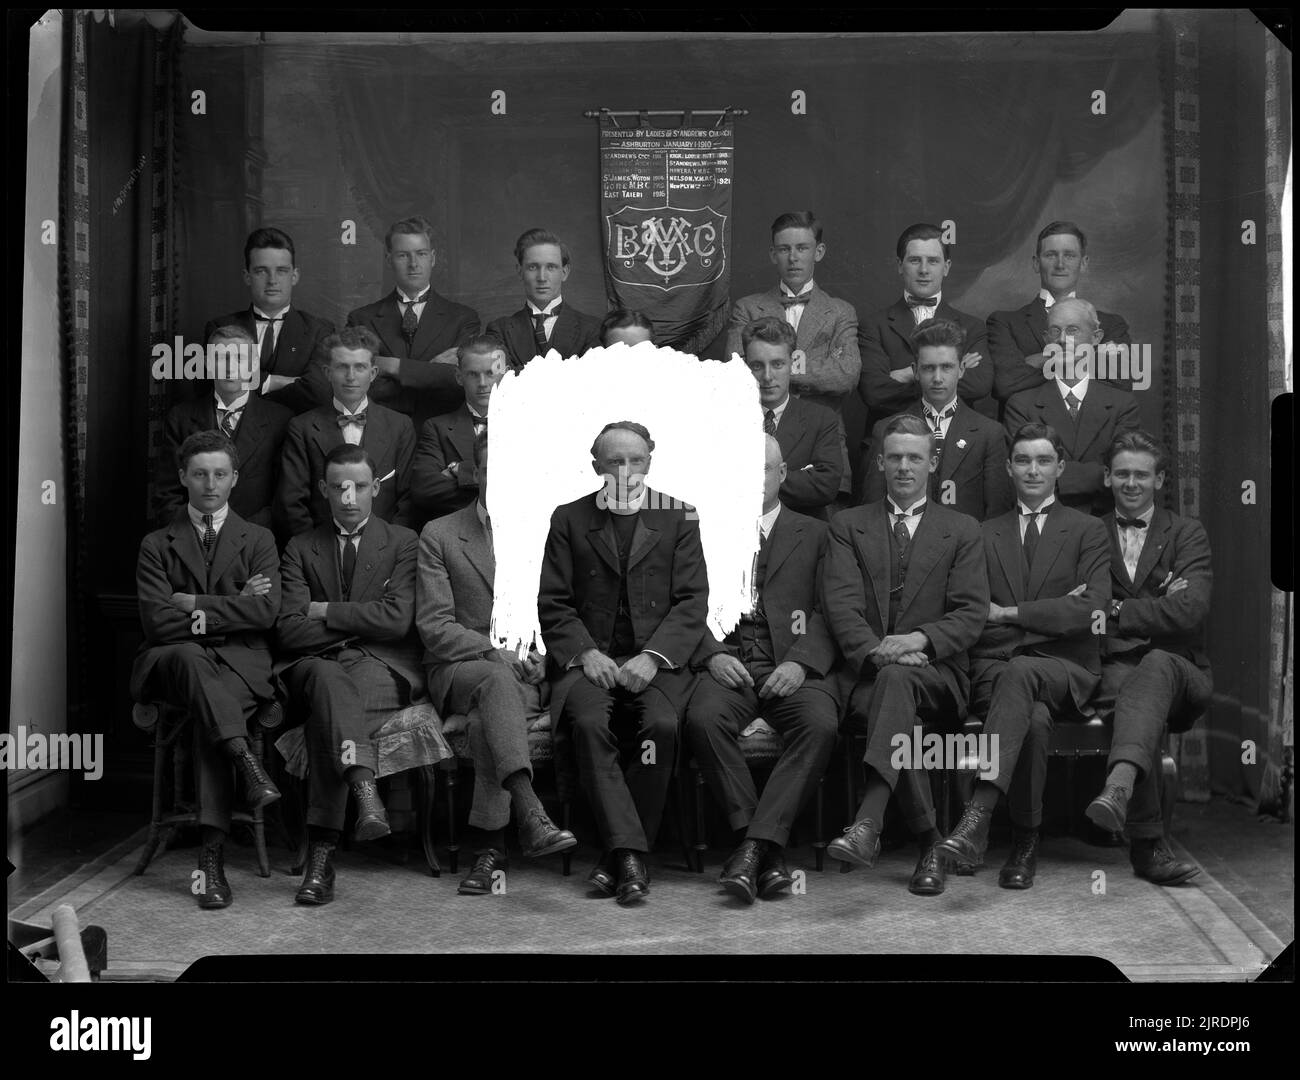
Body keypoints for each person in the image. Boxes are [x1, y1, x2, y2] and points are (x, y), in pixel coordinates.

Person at [537, 421, 708, 905]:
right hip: (589, 663)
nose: (626, 471)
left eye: (635, 460)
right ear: (596, 467)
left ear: (650, 460)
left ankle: (618, 855)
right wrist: (586, 653)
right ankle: (632, 856)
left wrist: (653, 657)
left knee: (662, 728)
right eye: (614, 461)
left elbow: (692, 601)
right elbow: (554, 602)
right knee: (590, 725)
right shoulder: (569, 518)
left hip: (657, 663)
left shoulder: (680, 517)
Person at [937, 422, 1111, 889]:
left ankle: (978, 817)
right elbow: (973, 615)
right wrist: (1055, 612)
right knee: (1031, 718)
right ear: (1009, 468)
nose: (1033, 470)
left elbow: (1092, 610)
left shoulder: (1089, 531)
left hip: (1068, 670)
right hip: (998, 671)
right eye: (1023, 461)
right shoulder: (982, 532)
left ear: (1060, 468)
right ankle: (1025, 840)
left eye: (1043, 461)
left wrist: (1011, 613)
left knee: (1023, 672)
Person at [822, 414, 989, 896]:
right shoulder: (848, 526)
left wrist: (918, 642)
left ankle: (868, 823)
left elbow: (971, 612)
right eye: (894, 457)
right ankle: (932, 847)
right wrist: (881, 654)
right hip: (868, 678)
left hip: (938, 676)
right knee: (902, 717)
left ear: (933, 463)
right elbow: (841, 607)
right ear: (879, 462)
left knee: (899, 691)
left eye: (915, 457)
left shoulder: (962, 529)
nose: (904, 467)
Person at [418, 429, 578, 895]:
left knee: (482, 723)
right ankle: (530, 810)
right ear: (475, 473)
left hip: (523, 676)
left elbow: (563, 610)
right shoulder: (440, 534)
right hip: (458, 666)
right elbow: (434, 624)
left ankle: (490, 851)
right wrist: (494, 651)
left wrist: (543, 657)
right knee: (492, 679)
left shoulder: (547, 533)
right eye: (491, 468)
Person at [684, 435, 842, 904]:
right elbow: (685, 606)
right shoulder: (702, 533)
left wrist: (801, 662)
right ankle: (767, 851)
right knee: (702, 720)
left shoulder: (817, 533)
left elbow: (831, 611)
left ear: (784, 473)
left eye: (765, 470)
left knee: (820, 724)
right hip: (727, 668)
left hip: (793, 667)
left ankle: (751, 849)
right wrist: (711, 653)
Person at [129, 430, 282, 909]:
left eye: (219, 474)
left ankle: (210, 855)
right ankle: (247, 765)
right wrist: (235, 605)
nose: (209, 484)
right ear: (183, 478)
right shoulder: (157, 543)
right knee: (193, 661)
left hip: (237, 666)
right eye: (199, 474)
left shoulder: (259, 538)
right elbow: (157, 622)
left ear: (234, 478)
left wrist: (196, 606)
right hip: (170, 663)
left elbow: (267, 613)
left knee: (213, 714)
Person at [276, 444, 428, 905]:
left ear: (376, 488)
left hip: (380, 668)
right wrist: (360, 620)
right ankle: (364, 789)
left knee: (331, 706)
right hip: (313, 667)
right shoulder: (301, 546)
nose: (348, 497)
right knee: (329, 685)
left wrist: (323, 611)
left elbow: (397, 621)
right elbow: (287, 628)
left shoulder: (403, 542)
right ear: (323, 489)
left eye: (359, 486)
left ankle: (322, 853)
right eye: (338, 486)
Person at [1086, 430, 1209, 885]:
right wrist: (1158, 605)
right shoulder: (1089, 532)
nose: (1131, 483)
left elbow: (1191, 610)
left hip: (1182, 671)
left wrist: (1119, 609)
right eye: (1122, 474)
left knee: (1154, 669)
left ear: (1159, 479)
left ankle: (1119, 788)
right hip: (1114, 671)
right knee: (1137, 698)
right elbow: (1085, 609)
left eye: (1141, 474)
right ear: (1106, 477)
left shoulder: (1187, 533)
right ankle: (1147, 845)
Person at [856, 222, 993, 452]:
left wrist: (907, 374)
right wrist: (948, 375)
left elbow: (979, 385)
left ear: (946, 267)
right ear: (900, 265)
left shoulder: (973, 327)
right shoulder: (873, 326)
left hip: (959, 448)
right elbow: (874, 392)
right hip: (891, 447)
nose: (923, 269)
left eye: (933, 260)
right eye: (914, 260)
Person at [862, 319, 1013, 521]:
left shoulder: (989, 433)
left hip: (967, 547)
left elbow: (998, 515)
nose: (938, 378)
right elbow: (872, 511)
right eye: (929, 368)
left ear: (961, 370)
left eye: (947, 367)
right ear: (915, 371)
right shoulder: (886, 430)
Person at [1003, 298, 1142, 516]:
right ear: (1046, 339)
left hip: (1106, 526)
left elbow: (1123, 473)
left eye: (1073, 330)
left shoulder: (1122, 405)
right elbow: (1026, 476)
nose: (1062, 339)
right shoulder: (1021, 405)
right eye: (1055, 331)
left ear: (1096, 338)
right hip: (1043, 525)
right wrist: (1099, 475)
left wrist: (1055, 474)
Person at [153, 325, 294, 538]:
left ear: (254, 364)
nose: (230, 367)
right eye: (220, 358)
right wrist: (198, 535)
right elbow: (167, 495)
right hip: (192, 541)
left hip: (253, 544)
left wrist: (237, 537)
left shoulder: (281, 420)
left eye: (239, 358)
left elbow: (283, 499)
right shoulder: (181, 418)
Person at [276, 326, 416, 537]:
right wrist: (316, 551)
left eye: (359, 367)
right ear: (327, 373)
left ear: (373, 373)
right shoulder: (302, 427)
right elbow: (292, 502)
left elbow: (408, 500)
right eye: (342, 367)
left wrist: (391, 546)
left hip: (385, 548)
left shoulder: (400, 426)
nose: (351, 376)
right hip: (320, 547)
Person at [346, 215, 481, 428]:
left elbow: (458, 382)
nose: (413, 264)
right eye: (403, 255)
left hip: (443, 432)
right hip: (383, 433)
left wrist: (390, 365)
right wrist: (430, 371)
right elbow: (363, 385)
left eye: (421, 254)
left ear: (433, 258)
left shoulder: (464, 319)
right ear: (389, 259)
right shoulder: (361, 319)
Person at [725, 211, 861, 417]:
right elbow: (736, 370)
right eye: (784, 249)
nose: (793, 257)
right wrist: (813, 367)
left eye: (802, 248)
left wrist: (771, 368)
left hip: (822, 429)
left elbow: (846, 374)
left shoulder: (841, 312)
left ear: (819, 251)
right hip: (760, 425)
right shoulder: (747, 308)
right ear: (773, 254)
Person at [988, 220, 1132, 407]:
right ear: (1036, 263)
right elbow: (1005, 386)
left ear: (1084, 263)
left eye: (1070, 255)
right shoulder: (1004, 323)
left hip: (1093, 430)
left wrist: (1042, 359)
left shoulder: (1111, 325)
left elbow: (1121, 384)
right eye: (1051, 255)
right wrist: (1088, 356)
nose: (1060, 264)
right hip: (1028, 431)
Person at [202, 227, 335, 414]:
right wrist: (271, 382)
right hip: (237, 436)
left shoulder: (320, 331)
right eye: (261, 271)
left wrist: (250, 385)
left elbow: (318, 393)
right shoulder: (220, 327)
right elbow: (210, 388)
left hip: (294, 437)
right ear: (247, 277)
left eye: (281, 271)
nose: (272, 280)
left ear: (294, 276)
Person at [742, 316, 842, 519]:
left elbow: (825, 487)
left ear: (794, 363)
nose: (768, 376)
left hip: (801, 540)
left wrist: (744, 478)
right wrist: (795, 476)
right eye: (757, 366)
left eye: (777, 364)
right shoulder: (722, 420)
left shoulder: (821, 419)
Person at [410, 334, 508, 529]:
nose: (482, 383)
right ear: (459, 377)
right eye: (473, 374)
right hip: (455, 535)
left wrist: (460, 471)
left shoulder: (531, 425)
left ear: (506, 373)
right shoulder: (436, 427)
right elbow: (425, 491)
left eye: (490, 373)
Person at [488, 228, 602, 370]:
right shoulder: (500, 330)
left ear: (565, 272)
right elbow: (500, 380)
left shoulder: (592, 329)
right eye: (533, 267)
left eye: (551, 267)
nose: (542, 278)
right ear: (520, 272)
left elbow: (590, 381)